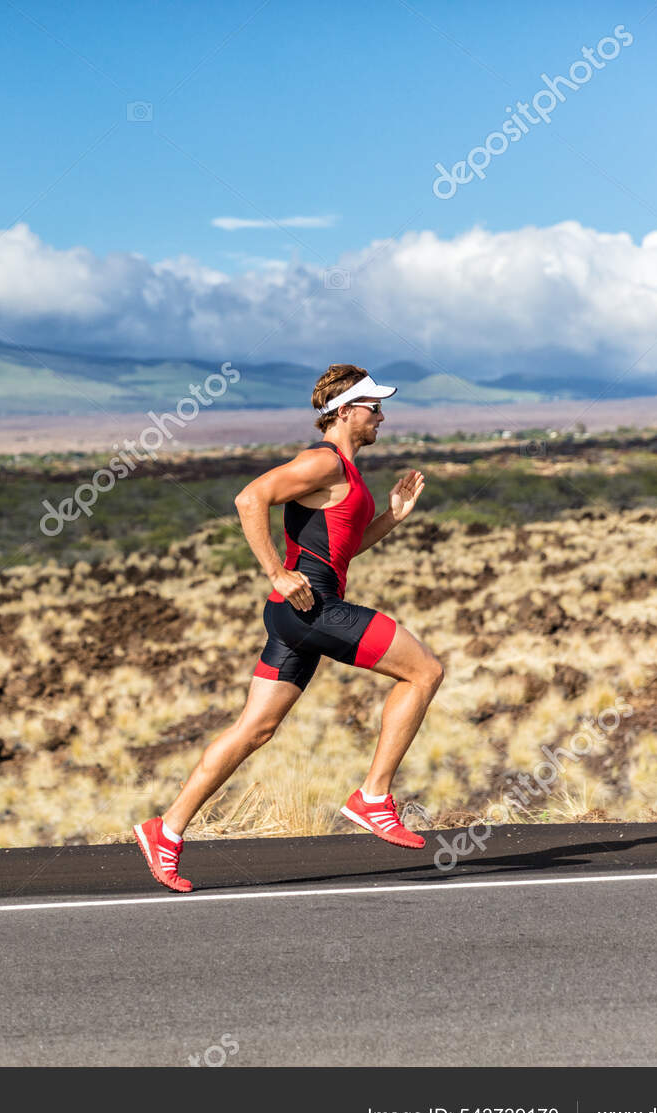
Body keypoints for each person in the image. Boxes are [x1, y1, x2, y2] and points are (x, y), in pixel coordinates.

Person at [133, 364, 443, 892]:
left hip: (296, 614)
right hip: (310, 607)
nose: (382, 417)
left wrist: (391, 517)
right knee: (424, 672)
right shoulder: (322, 462)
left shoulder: (344, 469)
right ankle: (372, 797)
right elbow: (248, 498)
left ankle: (166, 830)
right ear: (345, 412)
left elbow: (341, 550)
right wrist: (278, 572)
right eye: (373, 408)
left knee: (254, 729)